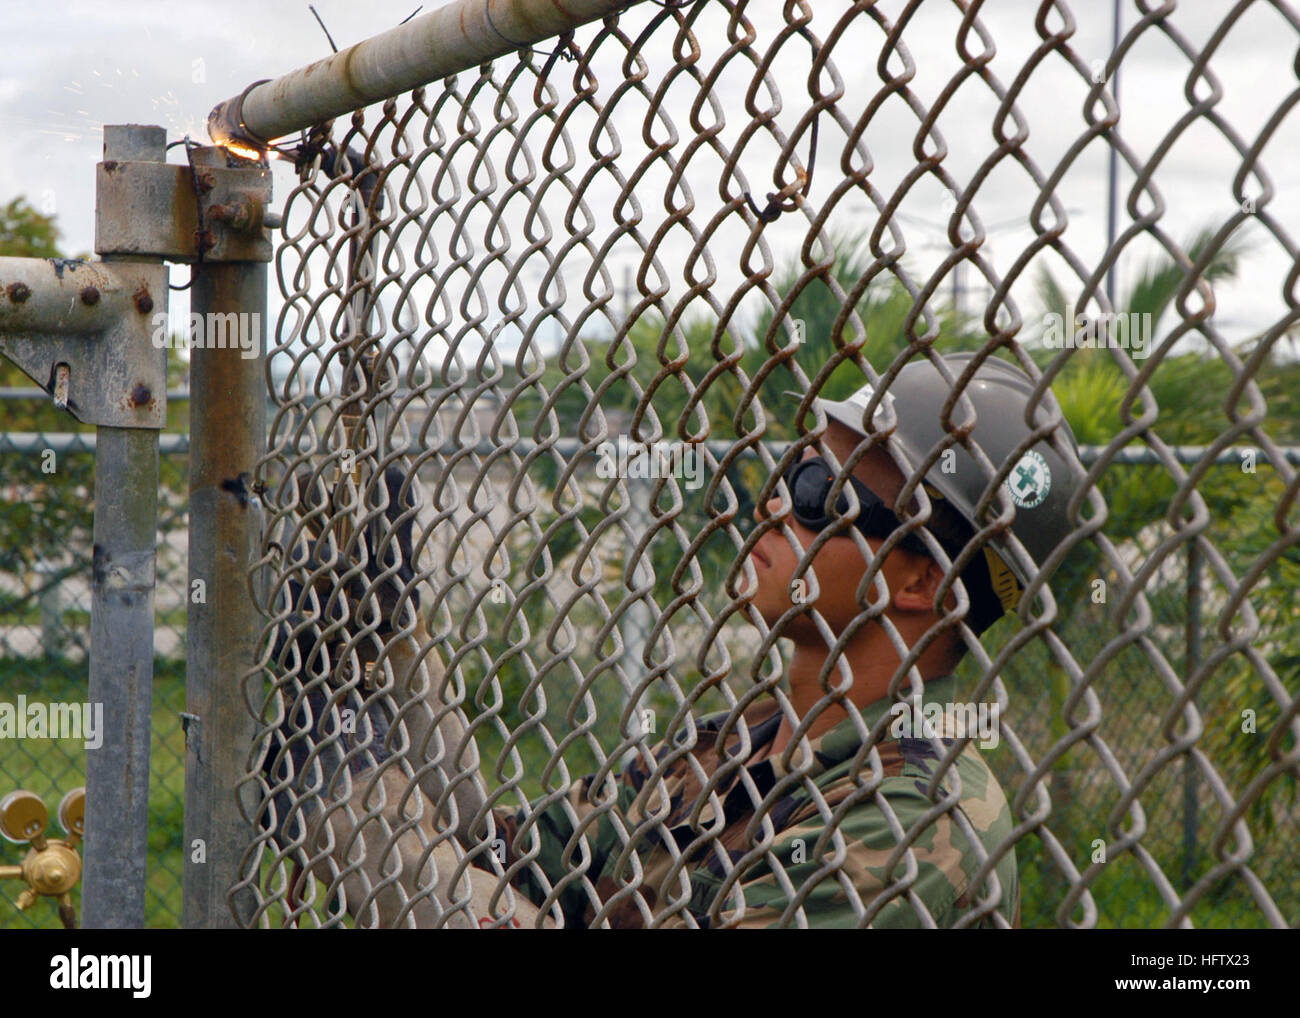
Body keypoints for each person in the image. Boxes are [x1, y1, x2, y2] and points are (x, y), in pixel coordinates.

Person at [259, 351, 1082, 928]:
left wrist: (358, 814)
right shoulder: (740, 744)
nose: (772, 506)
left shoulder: (917, 819)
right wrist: (400, 654)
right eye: (790, 470)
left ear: (924, 580)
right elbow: (513, 858)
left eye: (817, 493)